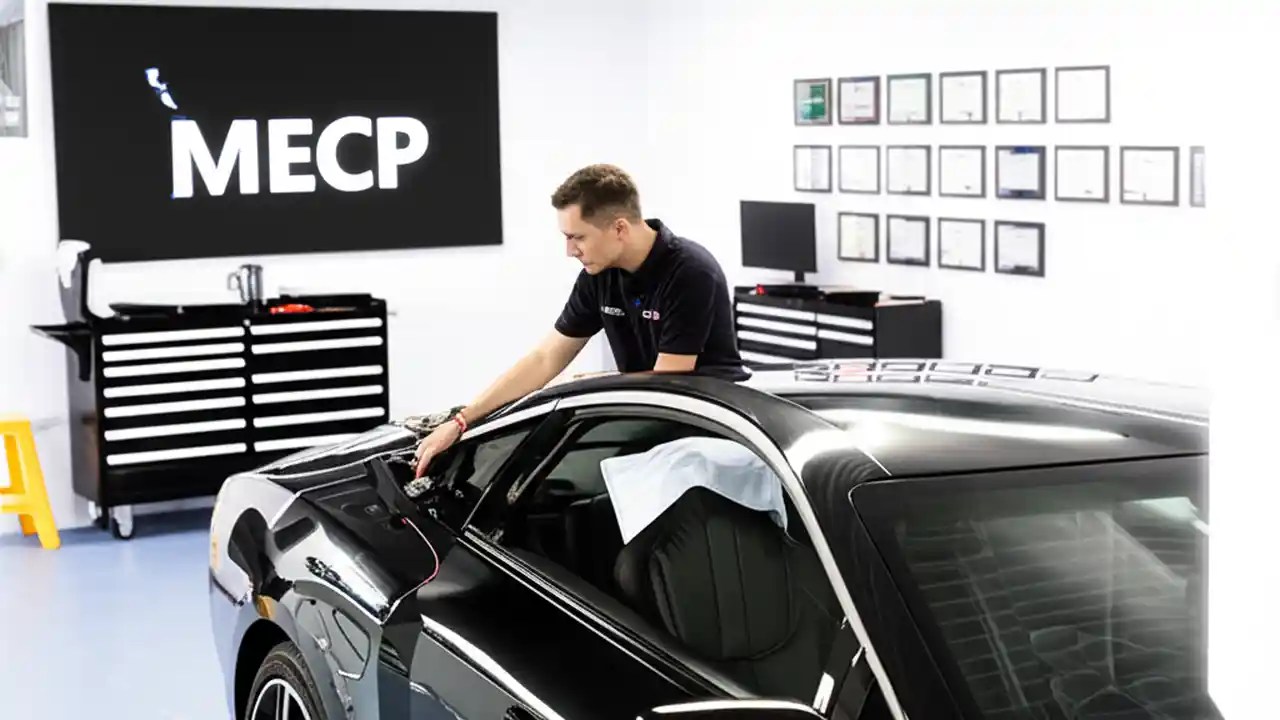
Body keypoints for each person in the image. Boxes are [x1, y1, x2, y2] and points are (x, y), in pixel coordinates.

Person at [414, 163, 746, 478]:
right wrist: (462, 421)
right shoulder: (599, 276)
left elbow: (668, 379)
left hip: (709, 426)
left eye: (578, 237)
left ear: (619, 228)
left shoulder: (690, 272)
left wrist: (596, 382)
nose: (570, 251)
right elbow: (545, 359)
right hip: (646, 412)